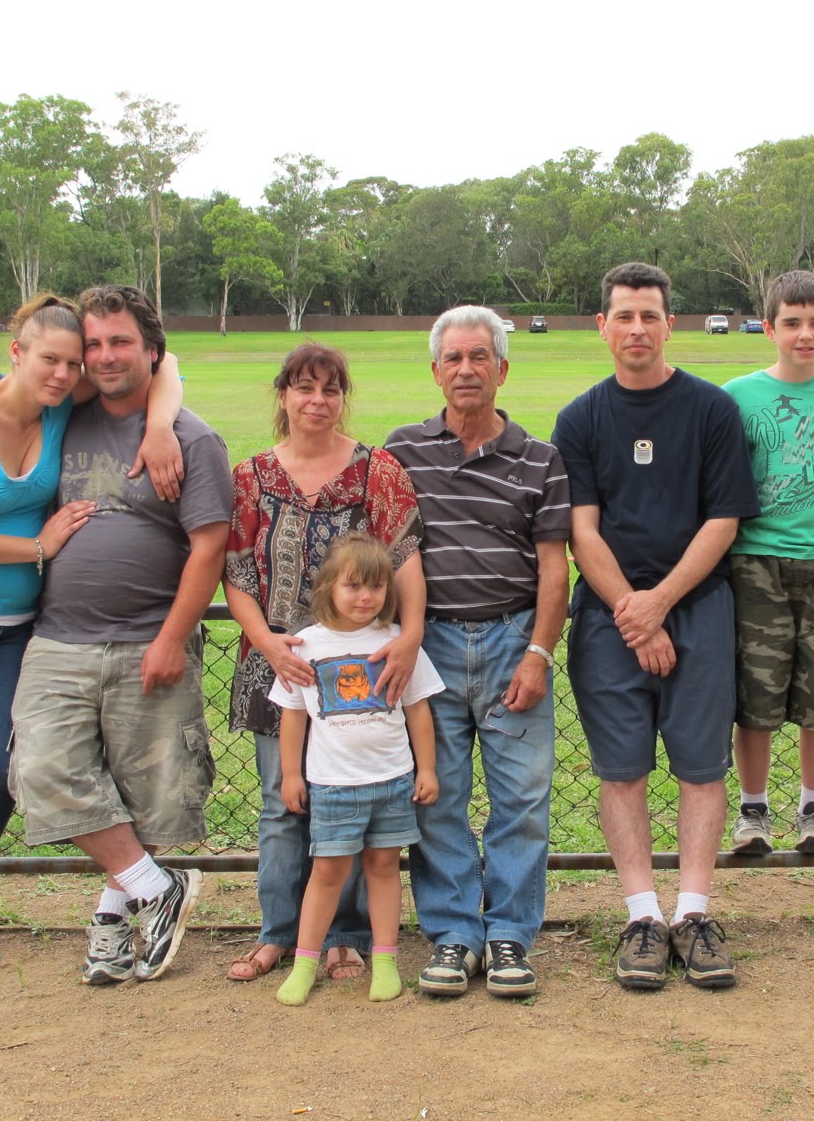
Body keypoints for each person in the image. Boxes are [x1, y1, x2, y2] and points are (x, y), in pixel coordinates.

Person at [0, 292, 183, 979]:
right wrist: (37, 547)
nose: (63, 373)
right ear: (15, 354)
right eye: (49, 359)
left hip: (14, 624)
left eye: (71, 363)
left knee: (2, 769)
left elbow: (165, 366)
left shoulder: (58, 409)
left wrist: (161, 426)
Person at [9, 284, 232, 984]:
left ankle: (113, 915)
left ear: (153, 351)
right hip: (60, 637)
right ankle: (154, 886)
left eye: (120, 342)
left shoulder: (192, 438)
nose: (104, 356)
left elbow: (210, 546)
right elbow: (15, 381)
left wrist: (172, 637)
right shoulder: (61, 418)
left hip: (148, 636)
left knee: (153, 790)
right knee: (40, 768)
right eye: (94, 344)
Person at [552, 262, 759, 990]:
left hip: (697, 604)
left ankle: (694, 914)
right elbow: (583, 528)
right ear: (602, 326)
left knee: (701, 766)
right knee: (623, 767)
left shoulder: (710, 409)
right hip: (611, 616)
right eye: (623, 316)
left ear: (671, 324)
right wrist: (635, 618)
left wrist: (662, 602)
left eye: (650, 315)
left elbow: (724, 518)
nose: (636, 328)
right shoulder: (580, 418)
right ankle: (642, 916)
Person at [222, 341, 425, 984]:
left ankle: (347, 935)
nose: (318, 401)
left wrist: (411, 635)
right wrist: (268, 641)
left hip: (364, 664)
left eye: (330, 390)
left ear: (343, 398)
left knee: (361, 800)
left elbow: (406, 558)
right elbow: (235, 573)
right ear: (283, 395)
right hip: (278, 662)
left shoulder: (377, 473)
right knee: (286, 802)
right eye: (304, 388)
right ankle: (280, 933)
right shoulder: (251, 477)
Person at [386, 305, 570, 999]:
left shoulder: (540, 458)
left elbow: (555, 568)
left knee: (522, 796)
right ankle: (455, 931)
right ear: (436, 370)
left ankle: (510, 934)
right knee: (438, 795)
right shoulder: (401, 453)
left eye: (479, 356)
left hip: (509, 637)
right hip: (427, 643)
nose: (467, 369)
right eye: (454, 358)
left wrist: (538, 653)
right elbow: (388, 550)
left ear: (502, 368)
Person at [722, 271, 814, 856]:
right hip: (756, 560)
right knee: (755, 695)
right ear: (769, 328)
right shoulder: (738, 396)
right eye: (792, 323)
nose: (804, 335)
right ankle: (753, 811)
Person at [268, 533, 443, 1005]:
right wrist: (290, 775)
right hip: (333, 785)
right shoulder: (306, 645)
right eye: (353, 586)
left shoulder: (398, 642)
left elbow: (418, 709)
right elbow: (293, 713)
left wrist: (426, 769)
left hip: (391, 779)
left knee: (385, 867)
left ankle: (384, 958)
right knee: (327, 873)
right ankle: (306, 961)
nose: (366, 597)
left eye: (377, 587)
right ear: (329, 587)